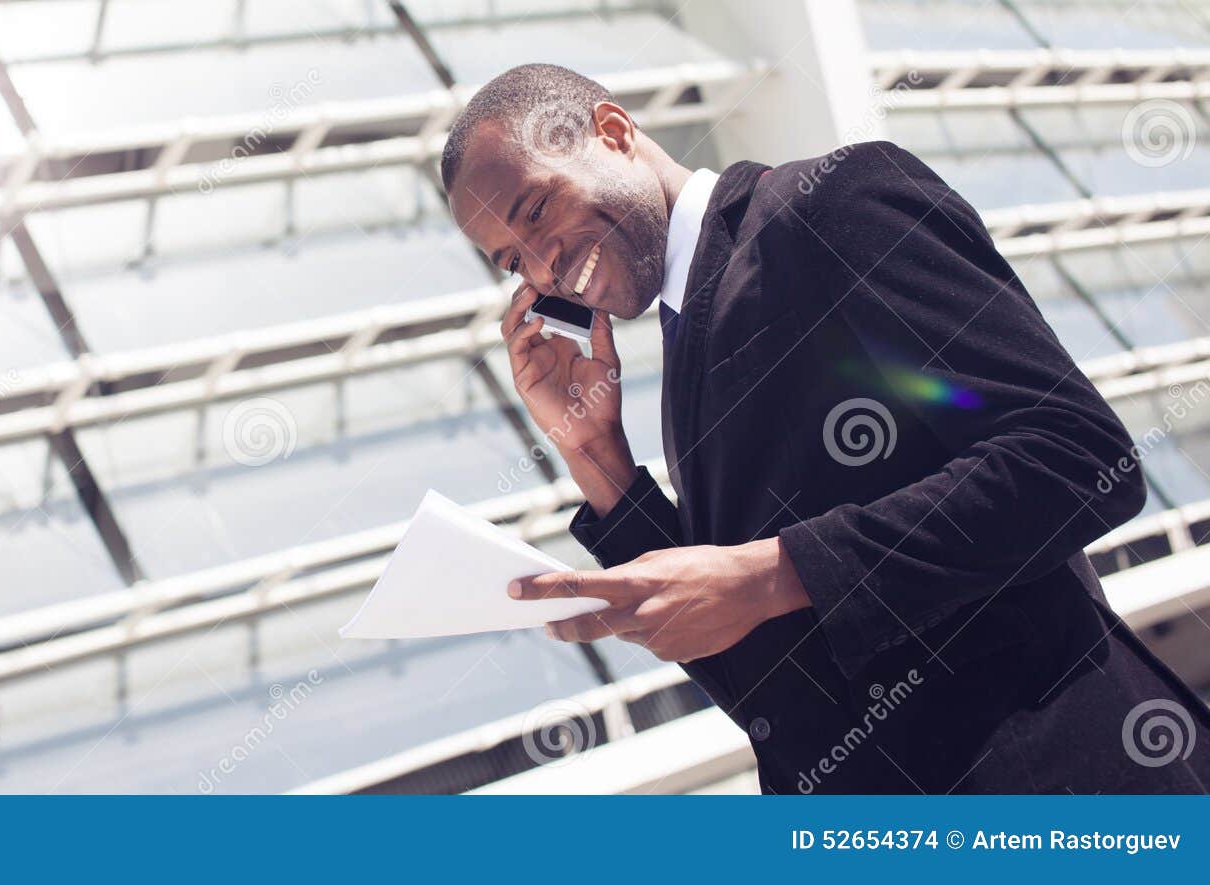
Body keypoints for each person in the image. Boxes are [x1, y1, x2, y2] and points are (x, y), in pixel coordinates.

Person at [440, 62, 1210, 793]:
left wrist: (776, 572)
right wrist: (596, 454)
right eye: (511, 262)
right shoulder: (684, 350)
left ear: (612, 131)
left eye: (537, 209)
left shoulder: (830, 203)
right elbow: (775, 689)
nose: (541, 265)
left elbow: (1078, 456)